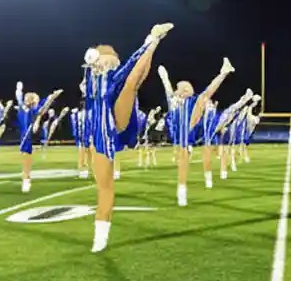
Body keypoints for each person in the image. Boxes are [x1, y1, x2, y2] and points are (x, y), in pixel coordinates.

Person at [84, 23, 173, 251]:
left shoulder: (115, 76)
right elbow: (89, 70)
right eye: (104, 57)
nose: (107, 60)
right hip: (100, 136)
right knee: (105, 188)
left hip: (121, 121)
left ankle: (154, 39)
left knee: (132, 82)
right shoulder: (91, 78)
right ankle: (101, 236)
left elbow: (134, 70)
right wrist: (94, 62)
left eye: (111, 57)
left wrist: (149, 44)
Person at [159, 58, 236, 205]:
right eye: (182, 87)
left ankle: (224, 72)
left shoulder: (192, 100)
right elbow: (168, 88)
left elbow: (205, 95)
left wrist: (165, 77)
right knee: (183, 158)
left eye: (185, 88)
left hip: (188, 128)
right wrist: (164, 76)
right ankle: (182, 188)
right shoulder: (174, 98)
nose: (185, 89)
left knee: (203, 97)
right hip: (177, 127)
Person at [15, 83, 64, 193]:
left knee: (26, 159)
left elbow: (44, 106)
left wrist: (52, 97)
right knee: (25, 159)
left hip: (26, 136)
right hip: (24, 136)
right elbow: (19, 96)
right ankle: (26, 179)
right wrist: (19, 89)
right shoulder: (25, 108)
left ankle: (26, 179)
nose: (26, 99)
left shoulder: (30, 110)